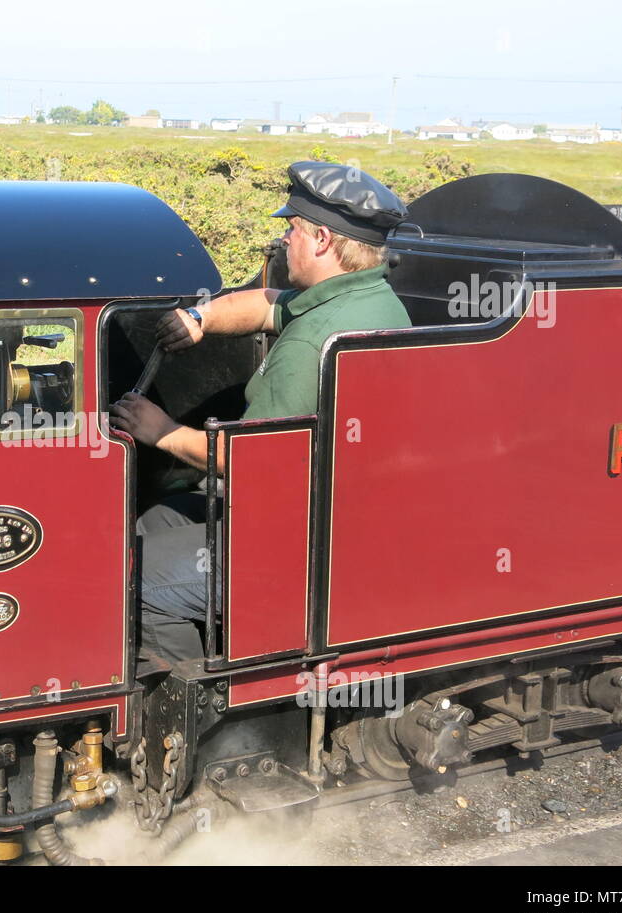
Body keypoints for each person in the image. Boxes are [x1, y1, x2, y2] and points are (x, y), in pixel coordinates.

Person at [108, 161, 411, 674]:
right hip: (332, 514)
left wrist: (160, 431)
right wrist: (201, 319)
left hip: (300, 540)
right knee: (155, 518)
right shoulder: (364, 299)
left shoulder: (314, 344)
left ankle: (195, 700)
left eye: (291, 229)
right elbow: (270, 304)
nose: (283, 238)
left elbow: (251, 462)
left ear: (319, 239)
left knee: (136, 580)